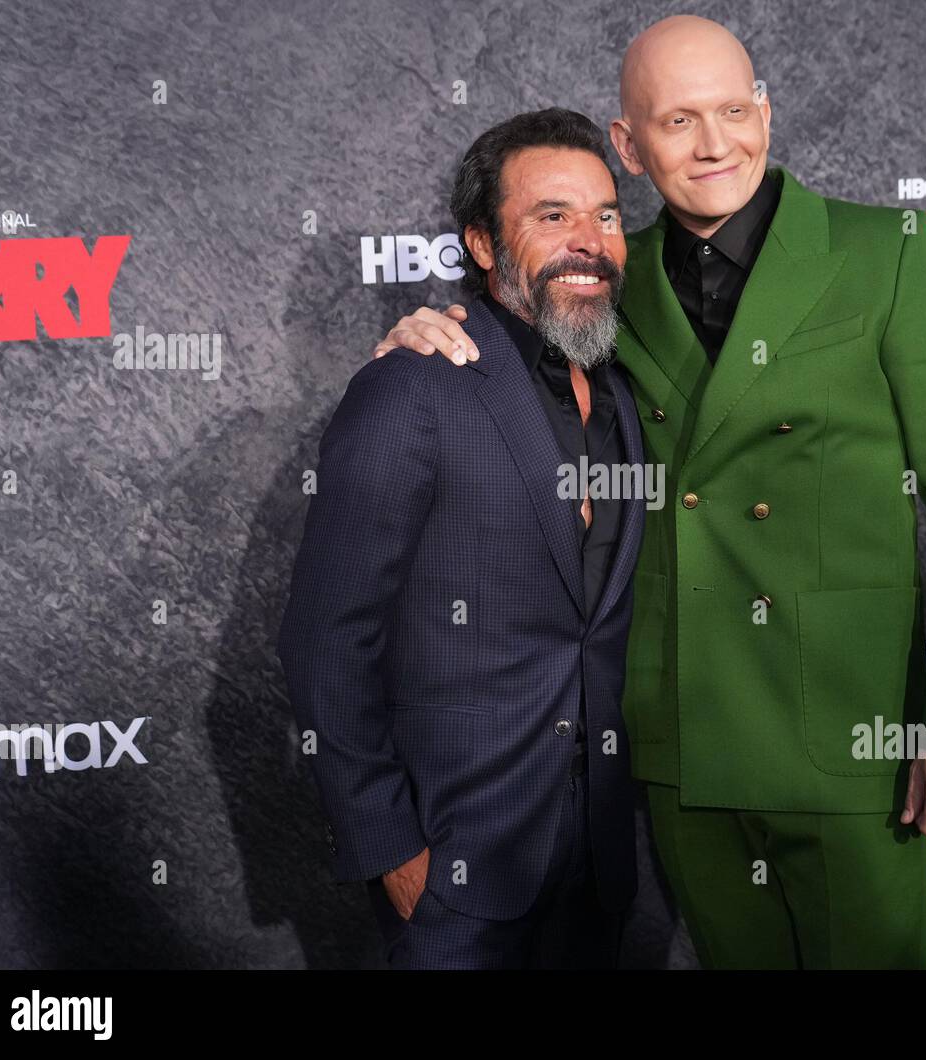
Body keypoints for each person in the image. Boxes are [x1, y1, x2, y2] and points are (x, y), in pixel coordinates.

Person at [373, 14, 926, 969]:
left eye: (733, 109)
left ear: (765, 110)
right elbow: (501, 353)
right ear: (629, 146)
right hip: (684, 739)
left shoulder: (881, 254)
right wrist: (417, 340)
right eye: (679, 122)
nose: (716, 143)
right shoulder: (605, 279)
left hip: (857, 738)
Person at [277, 108, 648, 968]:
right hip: (458, 876)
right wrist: (394, 857)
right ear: (482, 244)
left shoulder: (624, 393)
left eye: (605, 215)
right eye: (551, 216)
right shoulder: (413, 388)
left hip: (599, 868)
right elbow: (323, 642)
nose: (587, 241)